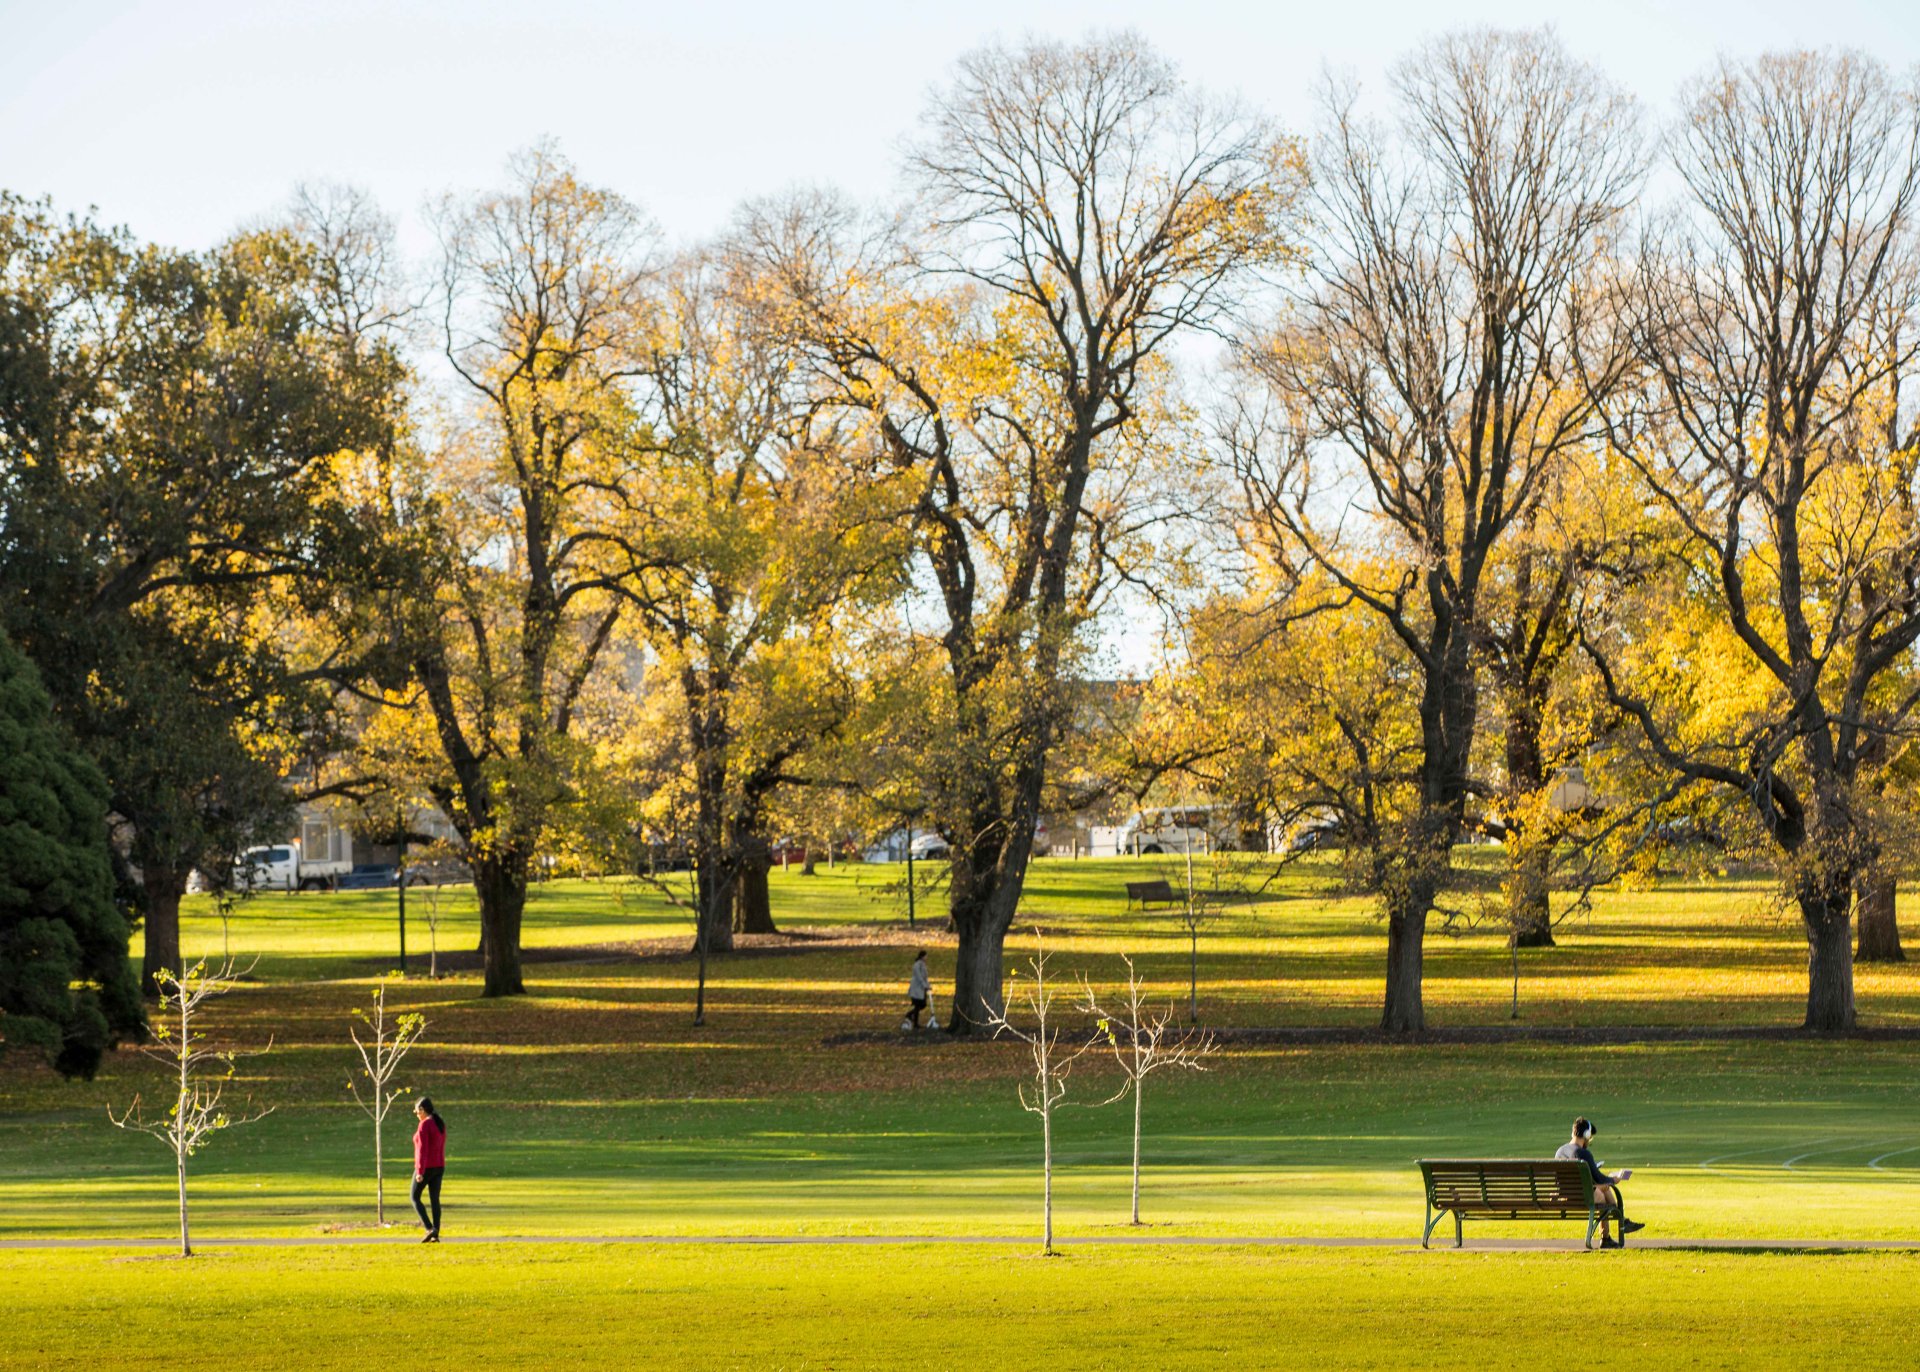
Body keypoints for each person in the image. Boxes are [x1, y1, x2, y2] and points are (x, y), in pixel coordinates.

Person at [1555, 1116, 1644, 1248]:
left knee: (1602, 1188)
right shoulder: (1583, 1153)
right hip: (1581, 1197)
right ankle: (1612, 1230)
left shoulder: (1560, 1151)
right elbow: (1599, 1178)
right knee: (1603, 1190)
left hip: (1564, 1196)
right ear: (1586, 1135)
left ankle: (1621, 1222)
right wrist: (1614, 1179)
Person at [411, 1097, 447, 1243]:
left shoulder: (424, 1125)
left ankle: (429, 1228)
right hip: (439, 1166)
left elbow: (422, 1150)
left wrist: (420, 1171)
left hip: (427, 1167)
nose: (416, 1114)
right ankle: (436, 1233)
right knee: (434, 1200)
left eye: (417, 1111)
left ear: (423, 1110)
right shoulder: (439, 1123)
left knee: (414, 1197)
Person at [905, 951, 932, 1030]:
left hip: (921, 989)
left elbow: (925, 977)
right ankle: (915, 1022)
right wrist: (925, 986)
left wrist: (928, 986)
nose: (926, 958)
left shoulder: (923, 965)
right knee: (917, 1005)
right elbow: (919, 977)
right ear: (922, 956)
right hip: (916, 988)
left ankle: (910, 1015)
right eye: (925, 956)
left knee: (922, 1005)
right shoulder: (917, 965)